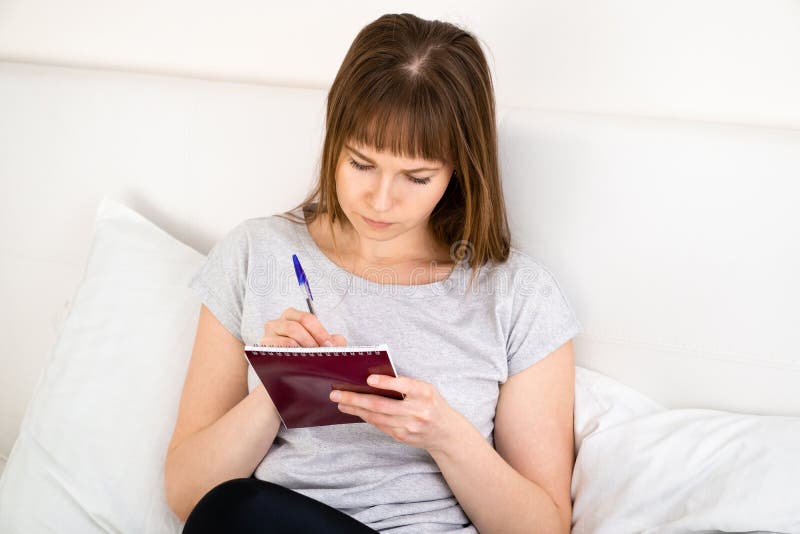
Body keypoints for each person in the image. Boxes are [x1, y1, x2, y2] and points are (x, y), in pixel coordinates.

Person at [165, 12, 582, 534]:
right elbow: (188, 497)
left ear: (459, 170)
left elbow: (544, 529)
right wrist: (278, 392)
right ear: (334, 141)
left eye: (416, 176)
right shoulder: (256, 254)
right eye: (361, 164)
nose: (381, 200)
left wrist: (445, 434)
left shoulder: (518, 294)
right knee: (236, 511)